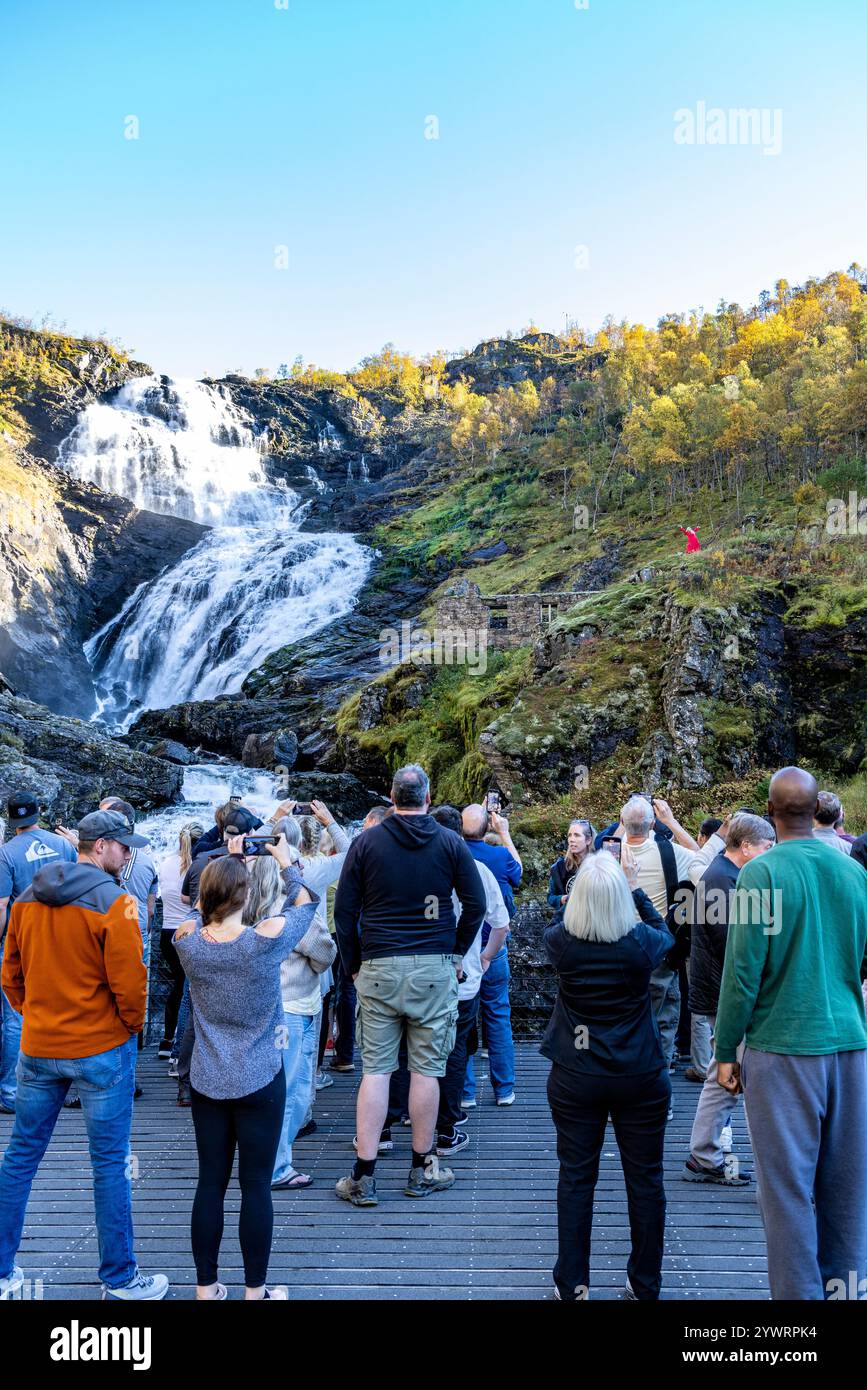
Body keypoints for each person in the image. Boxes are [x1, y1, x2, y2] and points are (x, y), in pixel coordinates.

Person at [0, 809, 167, 1301]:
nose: (128, 854)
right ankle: (119, 1278)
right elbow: (131, 984)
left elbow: (10, 972)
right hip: (100, 1049)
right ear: (99, 848)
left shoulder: (29, 897)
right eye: (123, 846)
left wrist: (35, 1014)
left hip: (38, 1046)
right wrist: (129, 1029)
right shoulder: (116, 904)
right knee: (110, 1164)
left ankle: (2, 1271)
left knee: (19, 1159)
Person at [715, 767, 867, 1300]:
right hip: (850, 1043)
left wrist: (725, 1050)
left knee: (786, 1190)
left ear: (772, 813)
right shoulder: (853, 873)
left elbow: (742, 972)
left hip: (783, 1045)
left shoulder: (762, 873)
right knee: (847, 1187)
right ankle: (847, 1291)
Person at [333, 764, 486, 1206]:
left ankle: (363, 1176)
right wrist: (455, 953)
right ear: (428, 794)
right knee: (427, 1071)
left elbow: (344, 913)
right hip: (434, 969)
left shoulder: (365, 843)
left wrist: (354, 965)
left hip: (378, 965)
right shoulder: (450, 842)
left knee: (376, 1070)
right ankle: (423, 1169)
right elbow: (475, 904)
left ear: (391, 794)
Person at [173, 842, 317, 1301]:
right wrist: (285, 861)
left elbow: (195, 916)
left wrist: (221, 864)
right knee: (256, 1185)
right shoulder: (265, 941)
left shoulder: (187, 944)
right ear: (246, 895)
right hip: (261, 1077)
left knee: (210, 1182)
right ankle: (256, 1291)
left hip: (208, 1078)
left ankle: (205, 1286)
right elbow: (306, 901)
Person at [543, 845, 673, 1301]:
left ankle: (573, 1281)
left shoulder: (562, 945)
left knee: (576, 1177)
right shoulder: (640, 946)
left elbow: (557, 923)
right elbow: (665, 932)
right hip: (639, 1072)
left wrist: (582, 886)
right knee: (646, 1178)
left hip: (577, 1073)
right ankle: (644, 1282)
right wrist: (635, 889)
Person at [603, 796, 724, 1103]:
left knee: (620, 1018)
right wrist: (671, 821)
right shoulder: (669, 852)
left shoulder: (608, 855)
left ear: (621, 823)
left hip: (616, 946)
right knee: (663, 1021)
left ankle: (620, 1086)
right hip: (657, 947)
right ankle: (658, 1095)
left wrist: (623, 821)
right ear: (654, 823)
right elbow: (704, 860)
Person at [682, 812, 775, 1184]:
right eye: (768, 847)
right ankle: (705, 1154)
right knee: (726, 1077)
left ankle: (705, 1153)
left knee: (724, 1076)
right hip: (725, 994)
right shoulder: (724, 880)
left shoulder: (724, 874)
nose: (771, 853)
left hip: (720, 991)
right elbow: (736, 946)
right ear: (747, 846)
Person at [235, 854, 335, 1192]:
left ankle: (266, 1157)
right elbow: (324, 953)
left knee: (265, 1086)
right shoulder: (291, 910)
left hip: (256, 1006)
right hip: (294, 1006)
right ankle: (277, 1166)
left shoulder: (238, 910)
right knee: (291, 1089)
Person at [429, 805, 510, 1156]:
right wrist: (486, 956)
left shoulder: (421, 869)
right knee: (457, 1046)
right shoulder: (478, 870)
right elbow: (501, 924)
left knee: (414, 1048)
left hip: (422, 973)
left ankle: (401, 1117)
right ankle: (452, 1115)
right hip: (465, 975)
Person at [0, 793, 76, 1115]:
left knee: (15, 1016)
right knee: (63, 1009)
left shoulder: (6, 854)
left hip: (23, 940)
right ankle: (64, 1087)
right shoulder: (64, 846)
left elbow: (2, 905)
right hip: (64, 939)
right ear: (38, 813)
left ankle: (11, 1092)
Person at [461, 802, 522, 1108]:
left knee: (463, 1019)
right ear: (487, 828)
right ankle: (504, 1088)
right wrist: (505, 833)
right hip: (493, 949)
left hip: (462, 953)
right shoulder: (498, 856)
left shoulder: (453, 856)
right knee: (498, 1016)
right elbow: (519, 872)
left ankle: (466, 1092)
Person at [156, 821, 203, 1059]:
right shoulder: (198, 866)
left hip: (167, 932)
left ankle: (166, 1040)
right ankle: (184, 1047)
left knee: (178, 986)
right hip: (189, 931)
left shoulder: (165, 863)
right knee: (190, 989)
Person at [547, 820, 594, 909]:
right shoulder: (559, 867)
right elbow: (550, 897)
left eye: (577, 835)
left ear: (588, 840)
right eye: (569, 835)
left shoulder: (599, 864)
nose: (571, 839)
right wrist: (561, 899)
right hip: (567, 918)